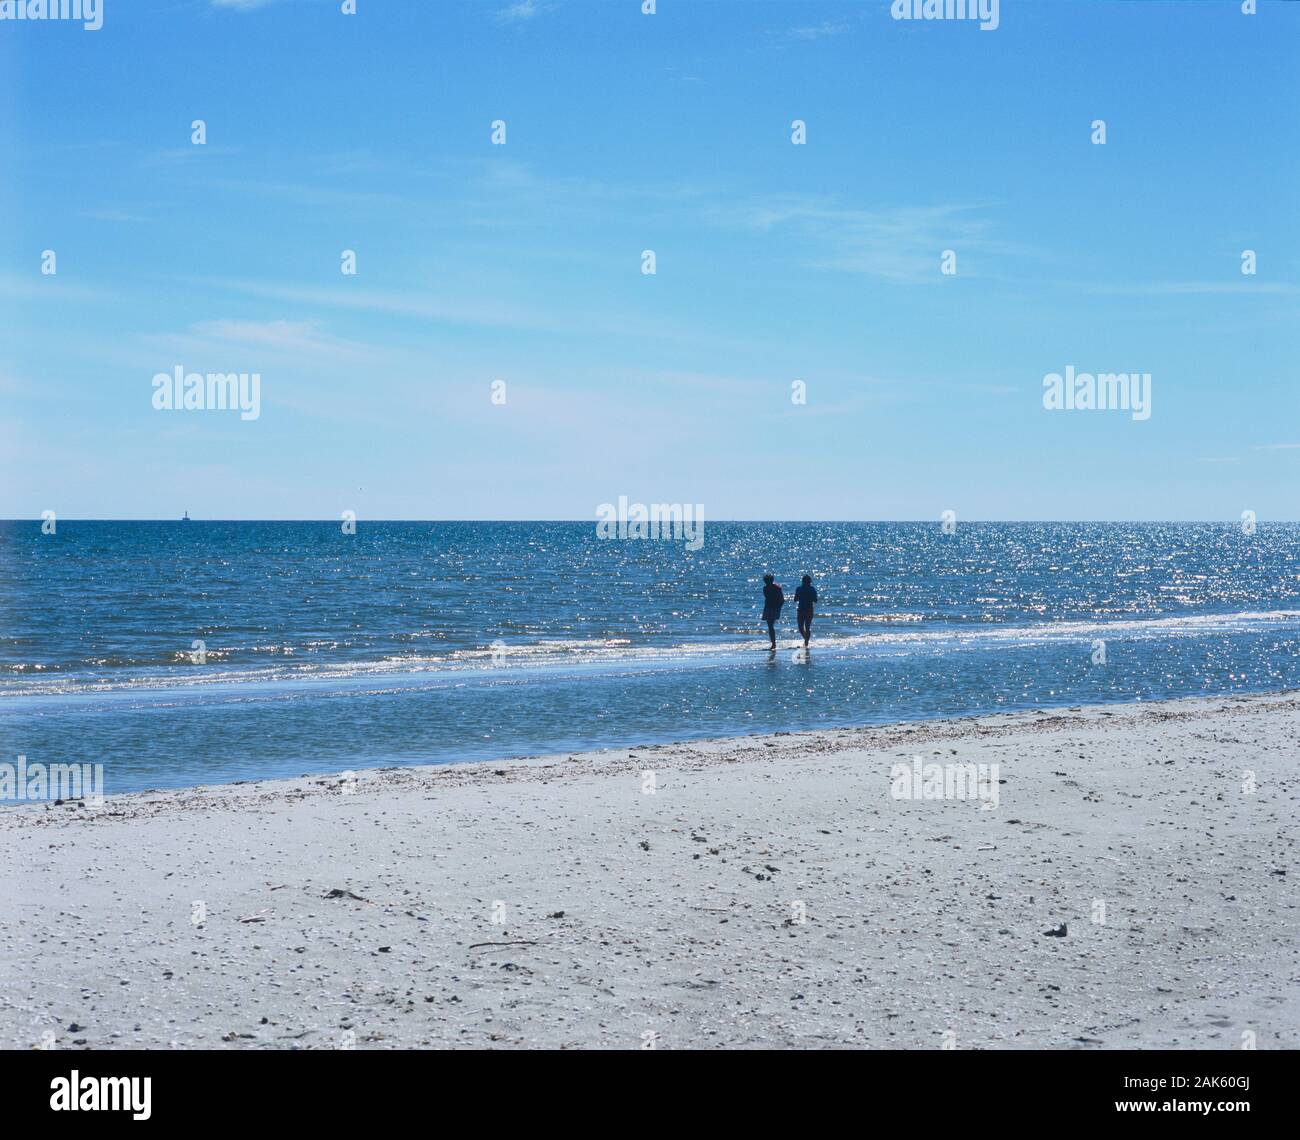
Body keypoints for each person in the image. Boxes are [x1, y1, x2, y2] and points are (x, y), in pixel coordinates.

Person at [761, 573, 784, 650]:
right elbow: (781, 599)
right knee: (770, 626)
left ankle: (773, 644)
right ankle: (773, 643)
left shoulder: (775, 588)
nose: (767, 582)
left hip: (773, 608)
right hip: (768, 607)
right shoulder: (768, 588)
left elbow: (781, 599)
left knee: (770, 626)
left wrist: (778, 607)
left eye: (768, 581)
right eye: (766, 581)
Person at [794, 574, 817, 648]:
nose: (807, 583)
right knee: (801, 628)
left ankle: (806, 642)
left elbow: (815, 600)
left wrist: (807, 596)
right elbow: (795, 599)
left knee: (806, 626)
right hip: (802, 609)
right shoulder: (799, 589)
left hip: (808, 609)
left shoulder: (812, 589)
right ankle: (806, 640)